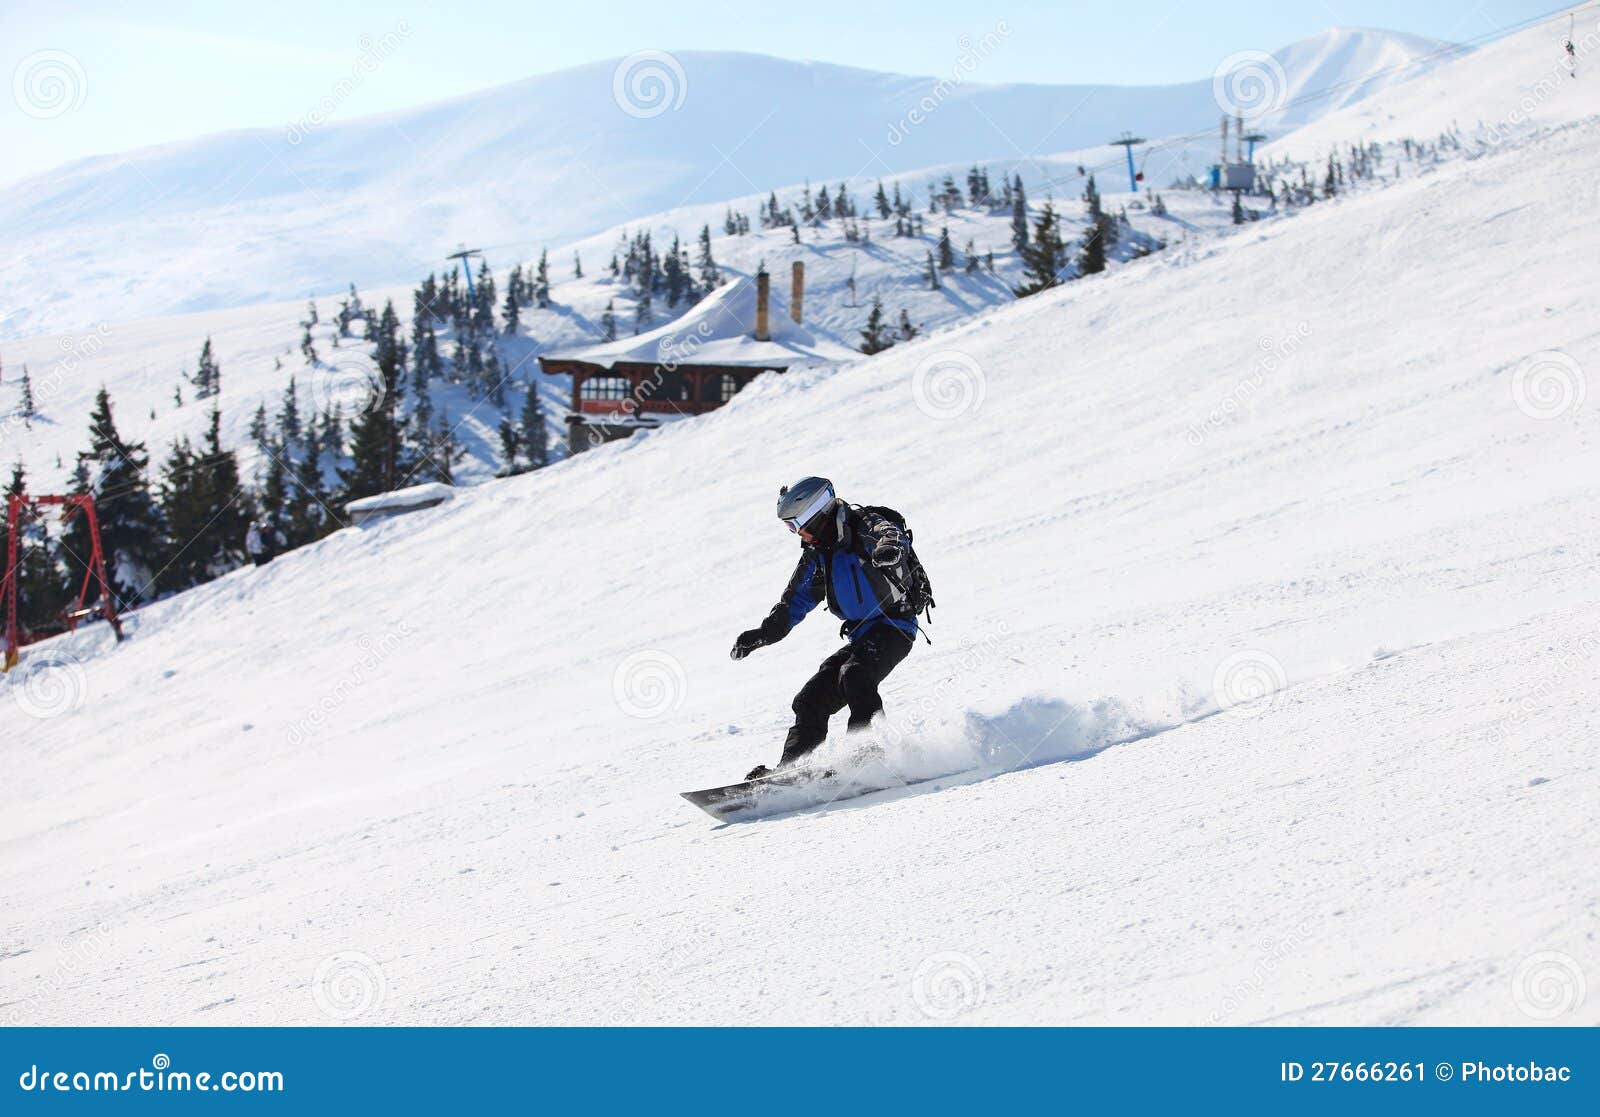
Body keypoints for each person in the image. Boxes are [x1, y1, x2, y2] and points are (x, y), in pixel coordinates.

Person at [730, 476, 922, 779]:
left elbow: (890, 534)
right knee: (809, 699)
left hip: (895, 625)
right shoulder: (818, 555)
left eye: (796, 525)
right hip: (862, 635)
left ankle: (870, 753)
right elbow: (793, 602)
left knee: (855, 675)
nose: (797, 533)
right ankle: (787, 774)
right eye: (790, 528)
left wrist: (888, 549)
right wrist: (762, 634)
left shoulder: (864, 525)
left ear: (815, 513)